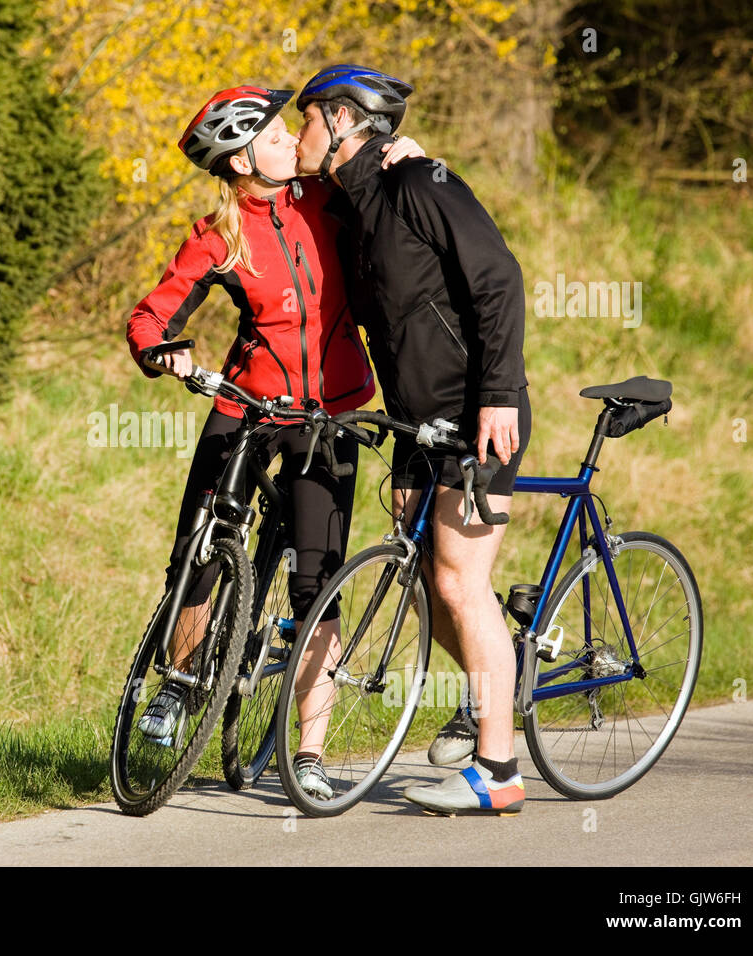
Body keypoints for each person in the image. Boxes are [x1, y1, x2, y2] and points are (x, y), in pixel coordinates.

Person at [125, 85, 424, 799]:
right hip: (248, 404)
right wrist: (160, 351)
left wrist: (411, 157)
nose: (294, 139)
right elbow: (151, 314)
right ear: (240, 156)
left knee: (318, 584)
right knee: (198, 547)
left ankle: (310, 754)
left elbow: (395, 182)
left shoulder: (329, 199)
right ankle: (179, 682)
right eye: (275, 134)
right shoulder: (217, 236)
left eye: (294, 129)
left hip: (333, 417)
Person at [295, 65, 531, 815]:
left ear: (340, 119)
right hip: (418, 425)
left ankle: (497, 774)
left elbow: (499, 281)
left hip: (476, 413)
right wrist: (403, 447)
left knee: (461, 581)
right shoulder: (355, 204)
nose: (297, 133)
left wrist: (498, 395)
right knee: (434, 579)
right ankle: (502, 683)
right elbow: (394, 338)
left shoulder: (421, 185)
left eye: (304, 119)